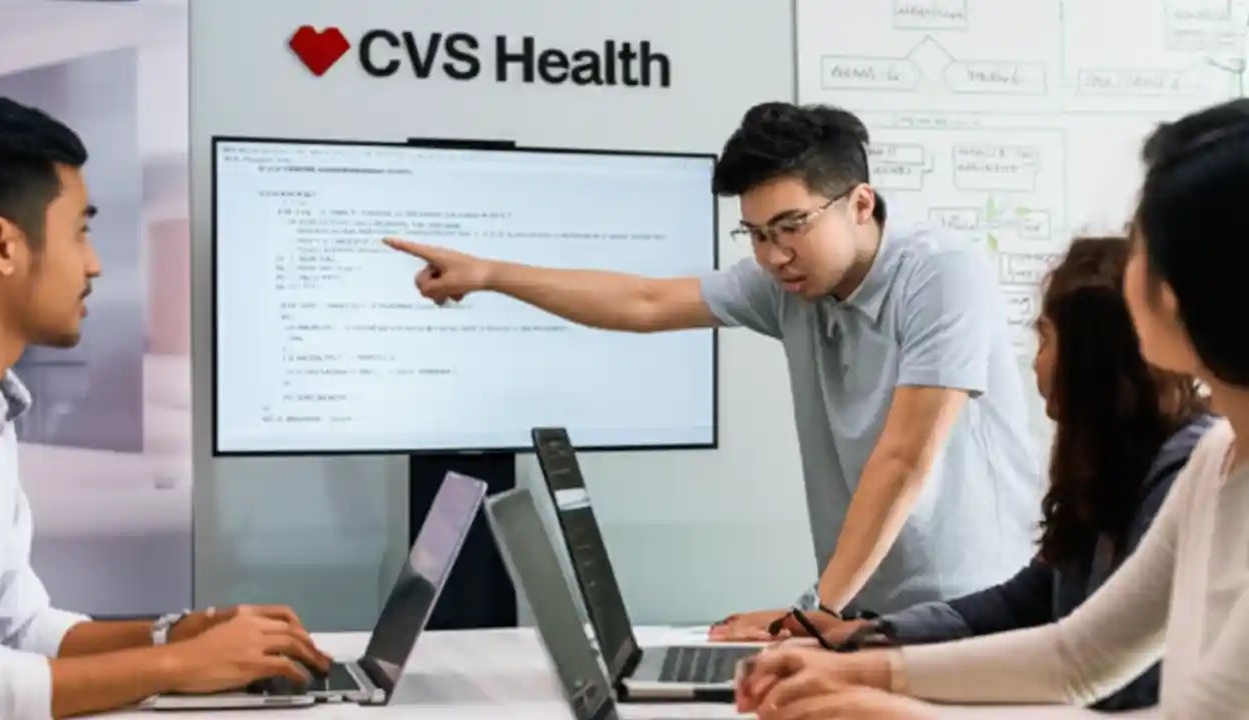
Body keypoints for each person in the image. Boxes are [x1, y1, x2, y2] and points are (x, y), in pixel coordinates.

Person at [385, 101, 1044, 632]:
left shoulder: (939, 275)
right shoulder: (789, 287)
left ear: (860, 204)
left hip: (973, 608)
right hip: (861, 613)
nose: (774, 255)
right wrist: (491, 274)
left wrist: (815, 611)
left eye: (791, 226)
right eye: (756, 234)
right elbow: (643, 302)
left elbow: (906, 458)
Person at [733, 98, 1249, 719]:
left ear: (1185, 287)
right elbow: (1078, 657)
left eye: (1141, 241)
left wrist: (897, 711)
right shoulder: (1215, 460)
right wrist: (861, 666)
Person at [0, 92, 330, 719]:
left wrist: (176, 634)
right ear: (2, 244)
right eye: (80, 231)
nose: (95, 263)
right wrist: (183, 668)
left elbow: (22, 626)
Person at [814, 235, 1214, 711]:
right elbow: (1029, 602)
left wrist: (892, 695)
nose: (1036, 361)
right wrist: (872, 640)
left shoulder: (1186, 471)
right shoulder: (1116, 463)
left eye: (1045, 338)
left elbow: (1120, 684)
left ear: (1093, 358)